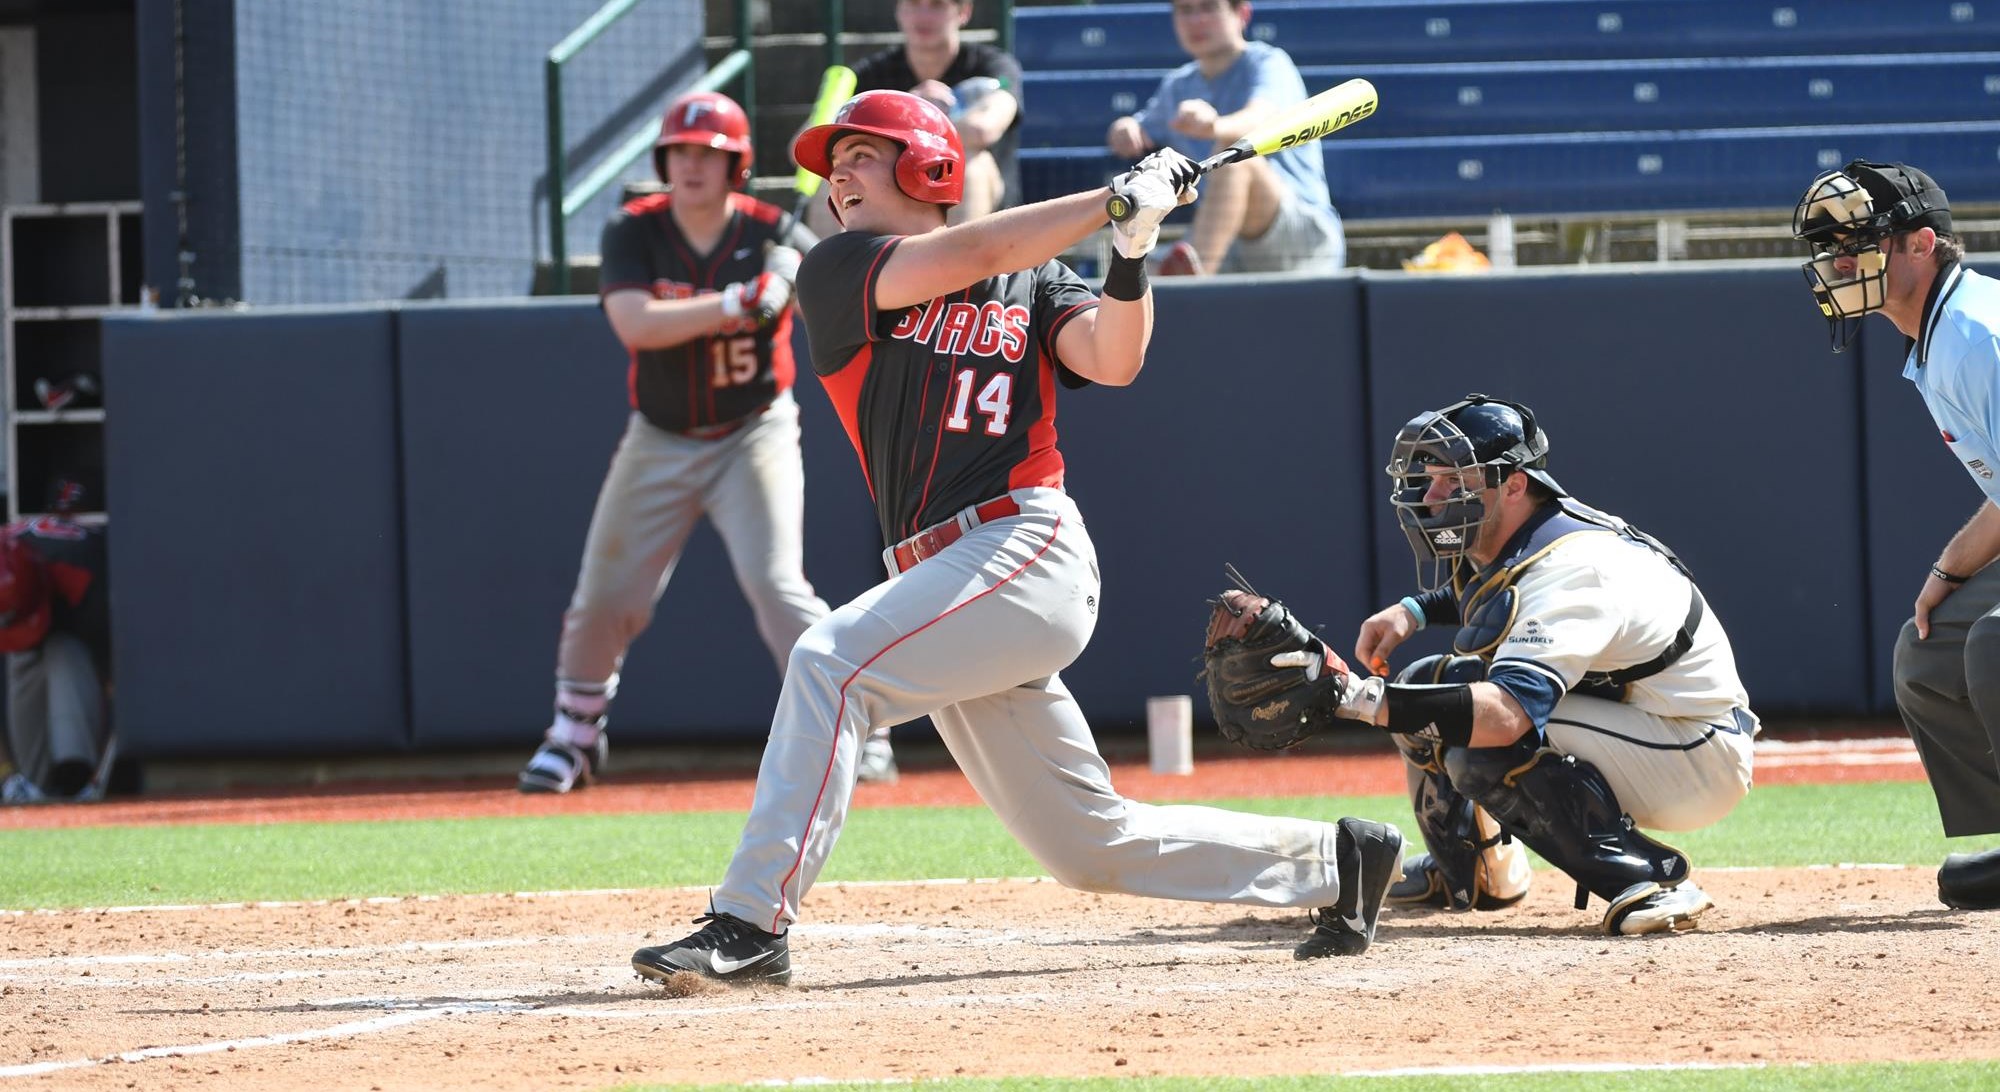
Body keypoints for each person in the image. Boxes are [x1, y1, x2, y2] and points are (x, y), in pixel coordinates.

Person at [630, 89, 1404, 986]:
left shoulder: (1034, 280)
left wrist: (1131, 248)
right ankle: (1338, 862)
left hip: (1022, 546)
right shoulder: (837, 268)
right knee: (1086, 845)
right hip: (941, 581)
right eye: (832, 163)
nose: (837, 174)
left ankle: (750, 922)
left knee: (829, 662)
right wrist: (1113, 198)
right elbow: (980, 247)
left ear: (929, 166)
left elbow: (1113, 360)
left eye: (861, 156)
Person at [1341, 395, 1754, 935]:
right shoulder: (1525, 531)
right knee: (1432, 690)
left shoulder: (1573, 569)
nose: (1435, 495)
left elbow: (1506, 716)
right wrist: (1413, 611)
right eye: (1434, 477)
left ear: (1514, 483)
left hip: (1695, 750)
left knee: (1474, 730)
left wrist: (1352, 699)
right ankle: (1475, 870)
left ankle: (1650, 879)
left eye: (1455, 480)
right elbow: (1496, 597)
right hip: (1645, 724)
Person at [516, 90, 833, 794]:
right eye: (682, 152)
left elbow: (838, 296)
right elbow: (636, 324)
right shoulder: (634, 230)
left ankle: (845, 724)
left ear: (735, 166)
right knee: (604, 596)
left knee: (778, 587)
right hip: (660, 437)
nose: (693, 165)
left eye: (710, 154)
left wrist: (800, 270)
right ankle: (574, 734)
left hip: (755, 431)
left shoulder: (772, 227)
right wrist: (737, 301)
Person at [1792, 160, 2000, 910]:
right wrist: (1949, 572)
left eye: (1857, 243)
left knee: (1996, 640)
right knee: (1931, 646)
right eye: (1829, 248)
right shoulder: (1946, 331)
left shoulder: (1977, 334)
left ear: (1921, 244)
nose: (1838, 263)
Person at [1102, 0, 1343, 277]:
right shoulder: (1178, 85)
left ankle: (1193, 289)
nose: (1196, 20)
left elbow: (1261, 118)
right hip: (1224, 243)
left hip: (1301, 238)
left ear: (1242, 13)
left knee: (1233, 154)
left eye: (1208, 7)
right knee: (1135, 269)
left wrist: (1215, 125)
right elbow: (1141, 127)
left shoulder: (1269, 62)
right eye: (1185, 10)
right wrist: (1125, 127)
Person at [812, 0, 1022, 235]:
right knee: (831, 177)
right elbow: (808, 142)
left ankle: (958, 267)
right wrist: (903, 107)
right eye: (913, 4)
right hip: (892, 194)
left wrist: (919, 118)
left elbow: (982, 129)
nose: (923, 15)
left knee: (968, 164)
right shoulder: (874, 73)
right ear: (898, 11)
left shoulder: (992, 66)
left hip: (986, 203)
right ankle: (835, 268)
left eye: (937, 5)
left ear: (963, 12)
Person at [0, 486, 112, 805]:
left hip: (74, 622)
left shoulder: (89, 581)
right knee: (21, 659)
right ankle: (32, 784)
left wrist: (98, 778)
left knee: (64, 653)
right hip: (40, 607)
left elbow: (123, 684)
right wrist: (7, 775)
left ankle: (75, 778)